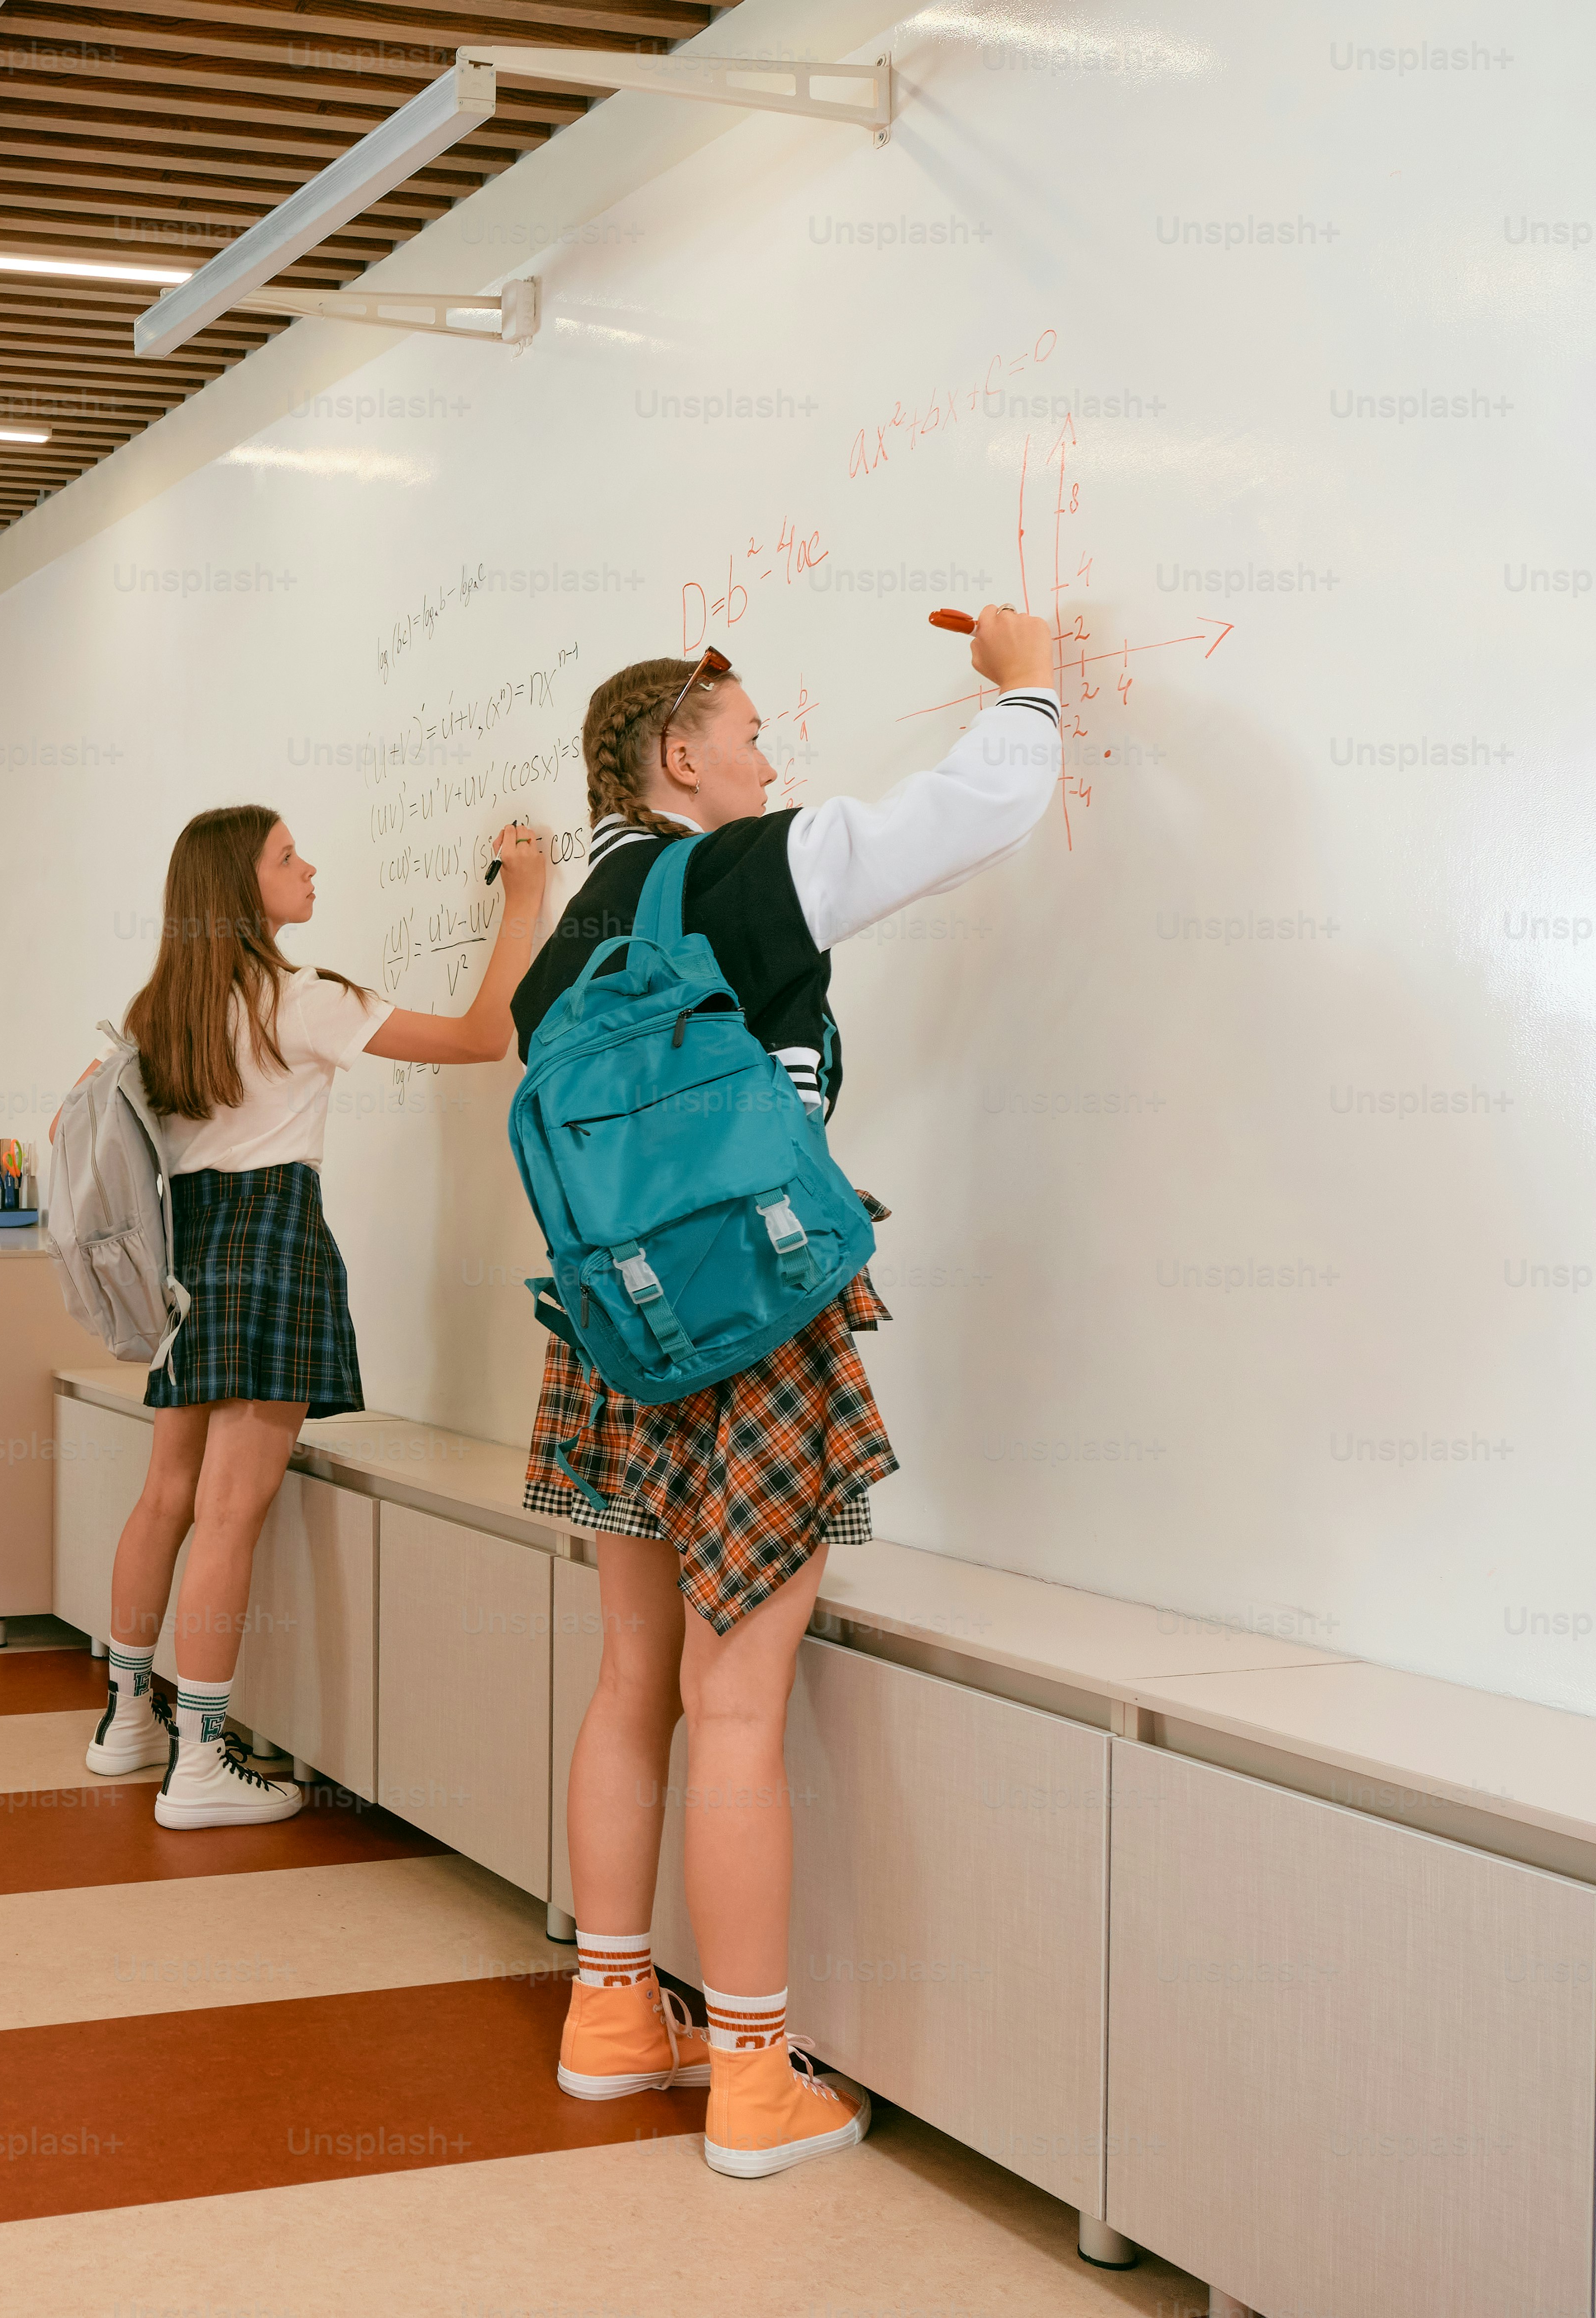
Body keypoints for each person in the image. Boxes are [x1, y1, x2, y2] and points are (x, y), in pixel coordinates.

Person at [520, 609, 1060, 2178]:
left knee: (634, 1680)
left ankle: (615, 2012)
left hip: (608, 1338)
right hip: (756, 1332)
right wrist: (1024, 677)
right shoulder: (738, 872)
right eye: (751, 733)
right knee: (737, 1701)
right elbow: (973, 810)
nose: (771, 759)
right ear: (681, 755)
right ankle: (756, 2077)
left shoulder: (569, 938)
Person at [89, 806, 550, 1828]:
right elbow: (482, 1038)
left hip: (190, 1259)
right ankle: (200, 1765)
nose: (309, 868)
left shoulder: (157, 1013)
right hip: (271, 1248)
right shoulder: (300, 1000)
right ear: (238, 889)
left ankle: (127, 1720)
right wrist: (520, 904)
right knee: (225, 1512)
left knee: (164, 1495)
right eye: (286, 857)